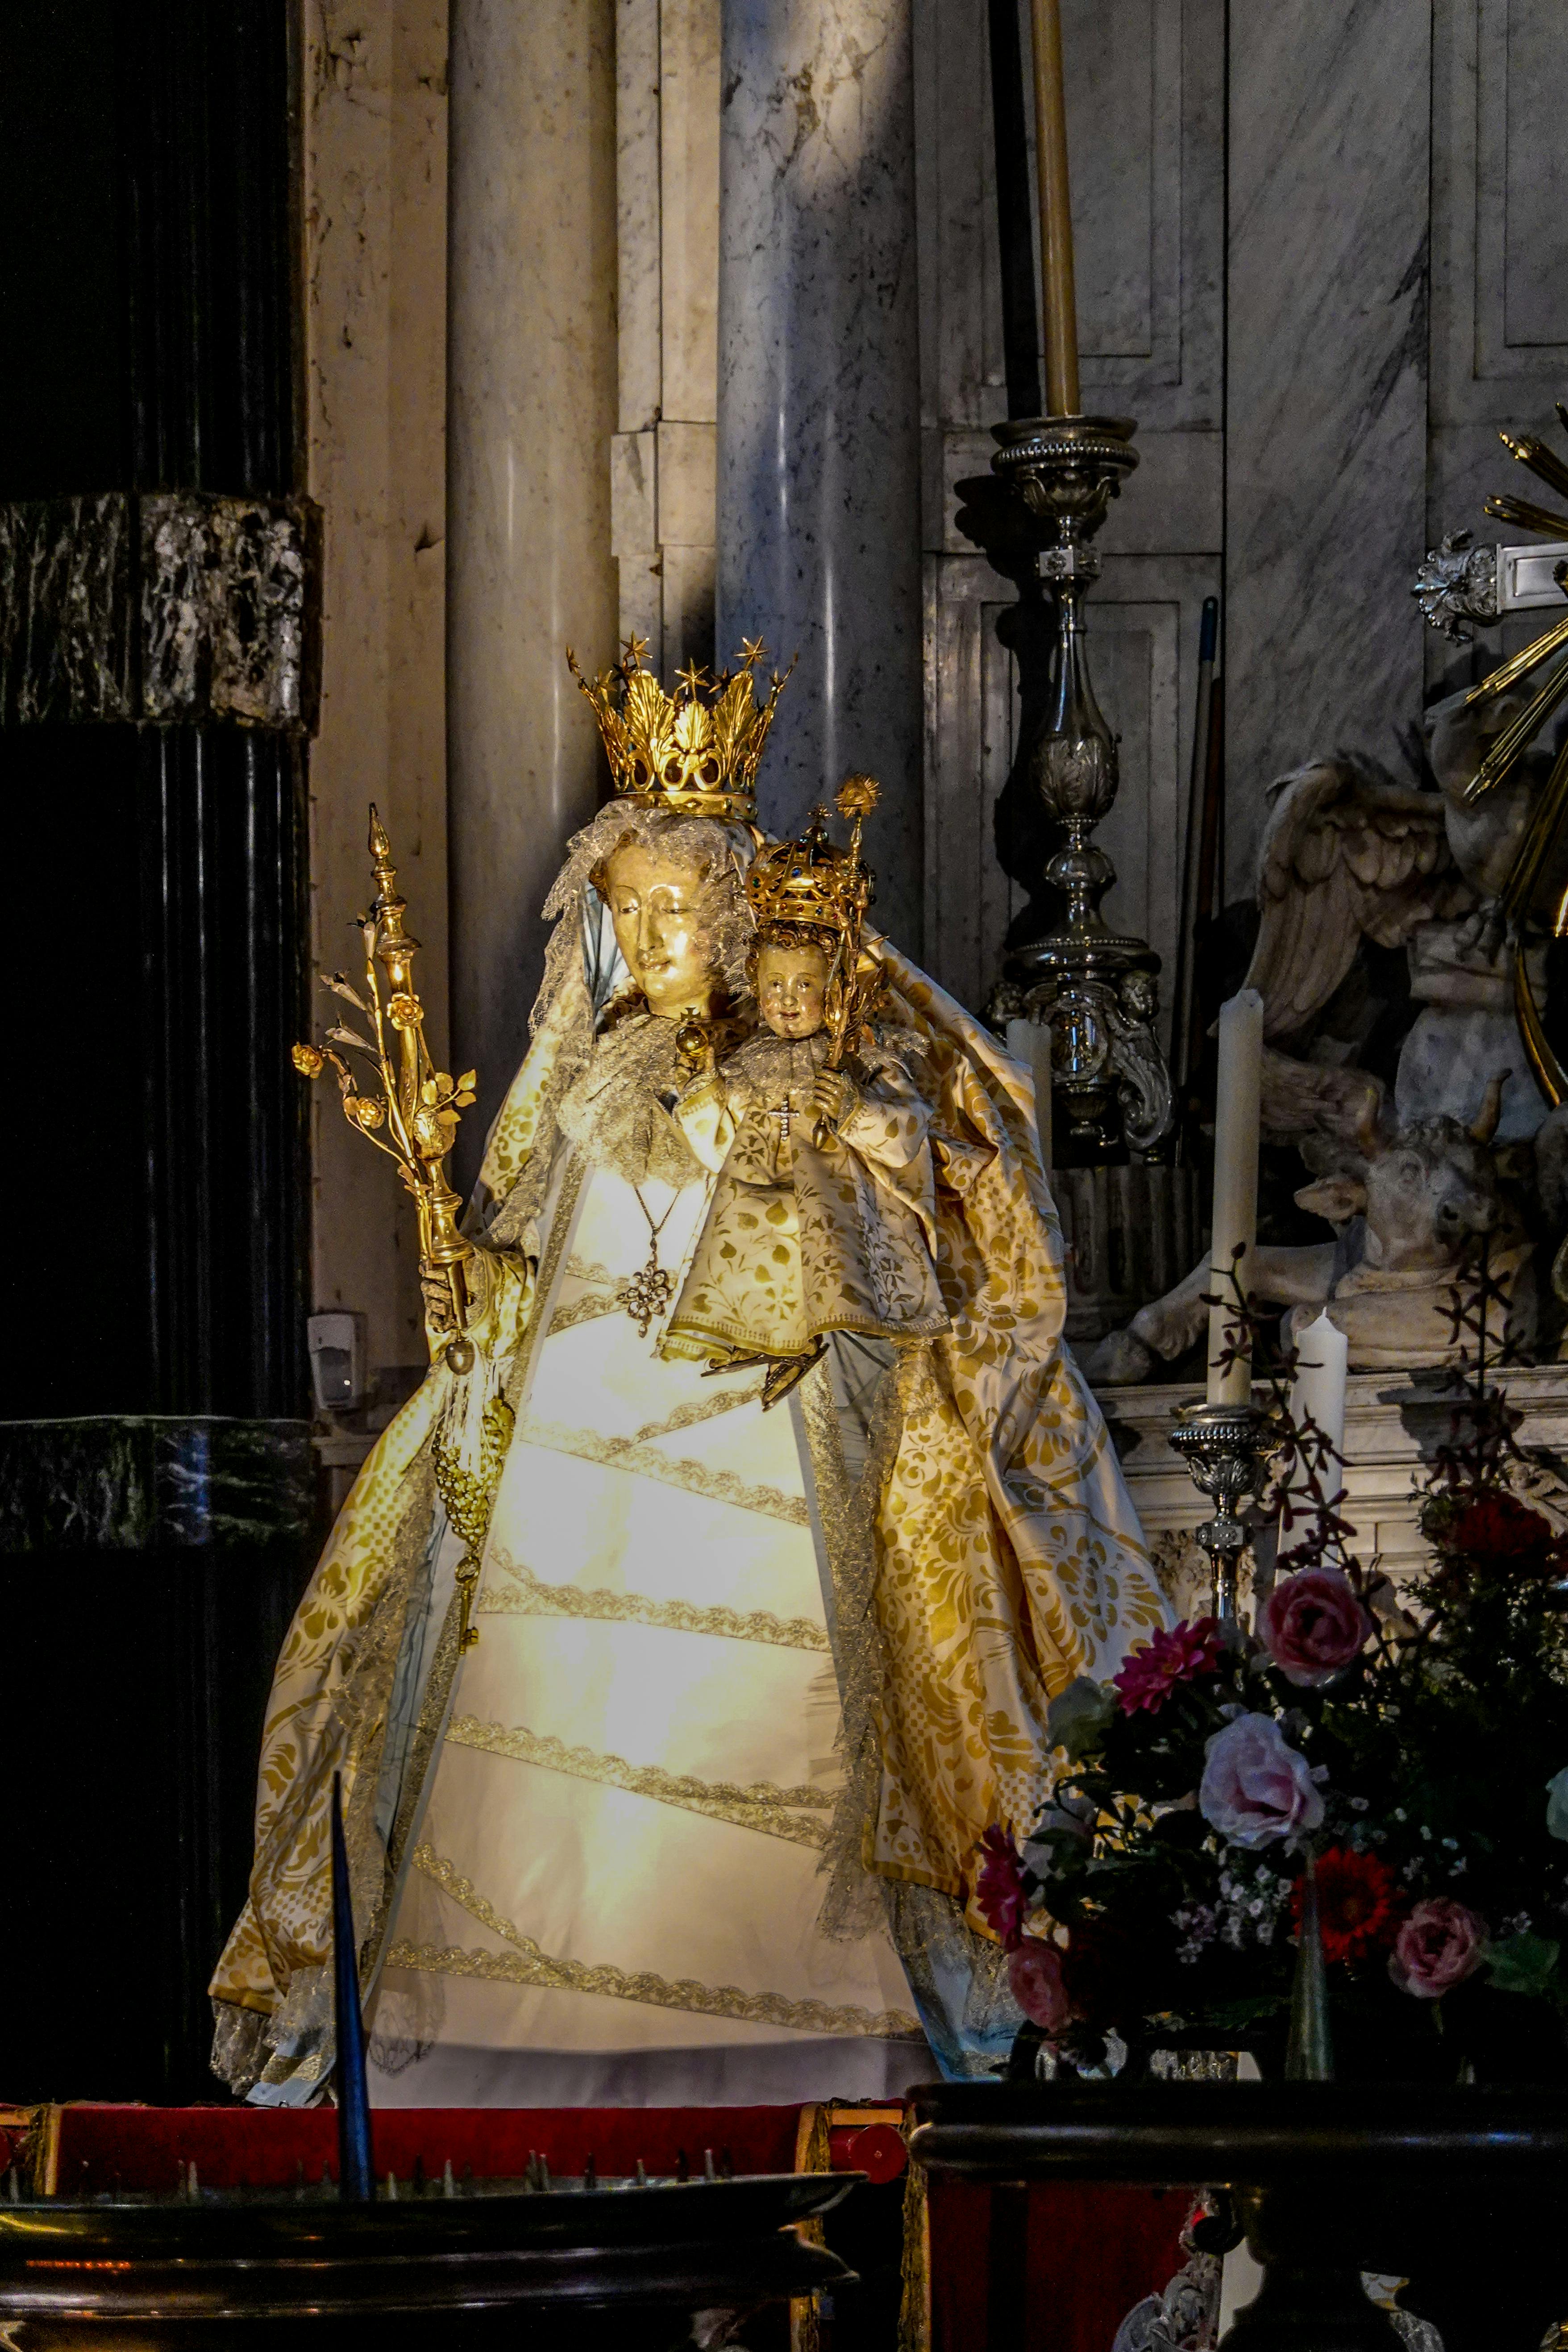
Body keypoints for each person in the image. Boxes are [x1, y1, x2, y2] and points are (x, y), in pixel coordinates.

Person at [209, 641, 1169, 2107]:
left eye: (675, 916)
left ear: (736, 919)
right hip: (571, 1469)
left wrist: (843, 1143)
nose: (649, 946)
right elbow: (521, 1225)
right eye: (626, 918)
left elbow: (912, 1205)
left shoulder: (816, 1055)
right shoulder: (591, 1075)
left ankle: (815, 2052)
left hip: (768, 1449)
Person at [666, 789, 948, 1405]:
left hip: (836, 1210)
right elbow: (717, 1141)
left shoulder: (859, 1057)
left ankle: (825, 1340)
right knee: (745, 1249)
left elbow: (908, 1133)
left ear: (839, 989)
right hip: (754, 1200)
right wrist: (702, 1084)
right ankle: (757, 1337)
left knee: (825, 1261)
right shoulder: (752, 1061)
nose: (788, 999)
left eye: (805, 984)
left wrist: (855, 1109)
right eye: (774, 984)